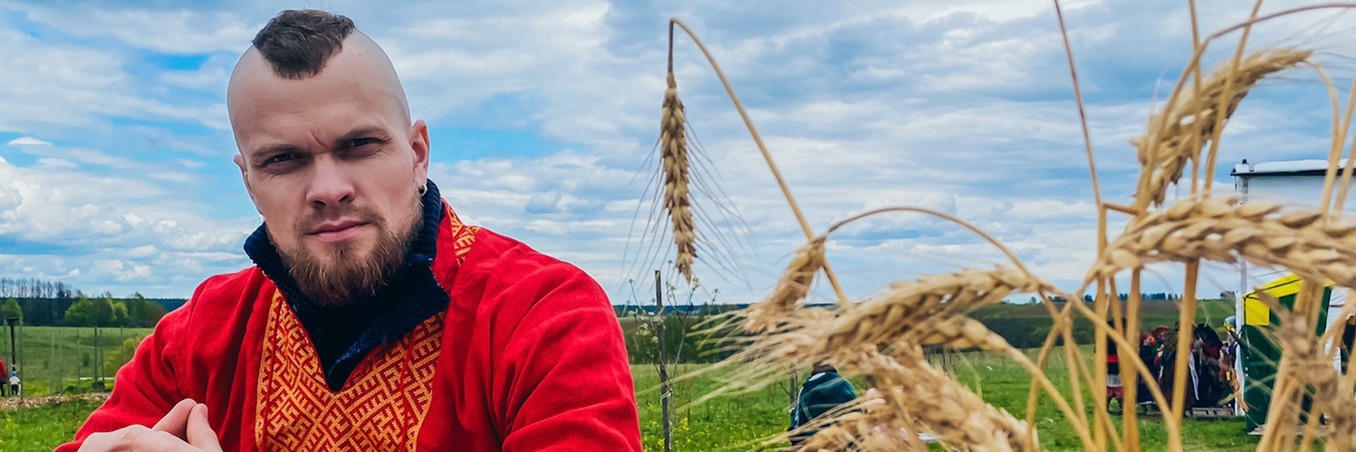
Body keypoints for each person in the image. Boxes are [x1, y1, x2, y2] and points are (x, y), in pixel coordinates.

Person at [60, 10, 639, 451]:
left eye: (359, 145)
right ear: (248, 180)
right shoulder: (204, 334)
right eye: (283, 159)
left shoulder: (540, 316)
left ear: (417, 154)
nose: (328, 187)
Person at [789, 363, 857, 446]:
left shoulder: (805, 390)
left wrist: (793, 414)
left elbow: (798, 427)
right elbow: (856, 416)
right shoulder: (845, 385)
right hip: (844, 444)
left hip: (816, 446)